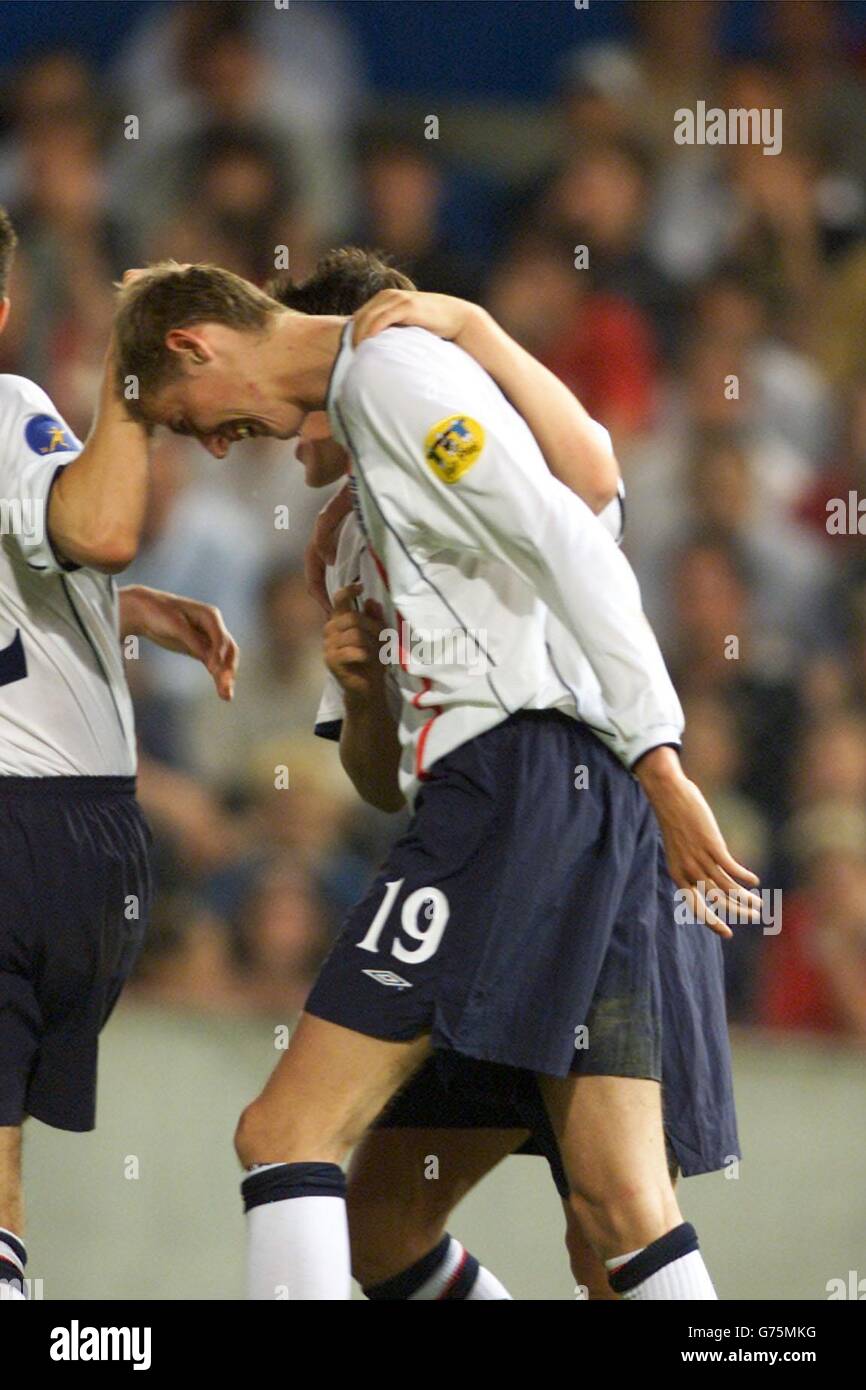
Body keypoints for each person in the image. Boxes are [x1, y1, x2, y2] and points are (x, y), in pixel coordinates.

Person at [112, 260, 760, 1301]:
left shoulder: (386, 375)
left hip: (524, 786)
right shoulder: (360, 509)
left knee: (282, 1133)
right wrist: (362, 693)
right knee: (600, 1214)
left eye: (186, 418)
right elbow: (374, 777)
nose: (218, 444)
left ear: (195, 345)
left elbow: (574, 518)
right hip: (557, 799)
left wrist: (660, 759)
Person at [0, 207, 238, 1301]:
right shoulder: (6, 407)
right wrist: (123, 603)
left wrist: (117, 604)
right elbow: (90, 538)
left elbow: (85, 542)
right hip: (67, 836)